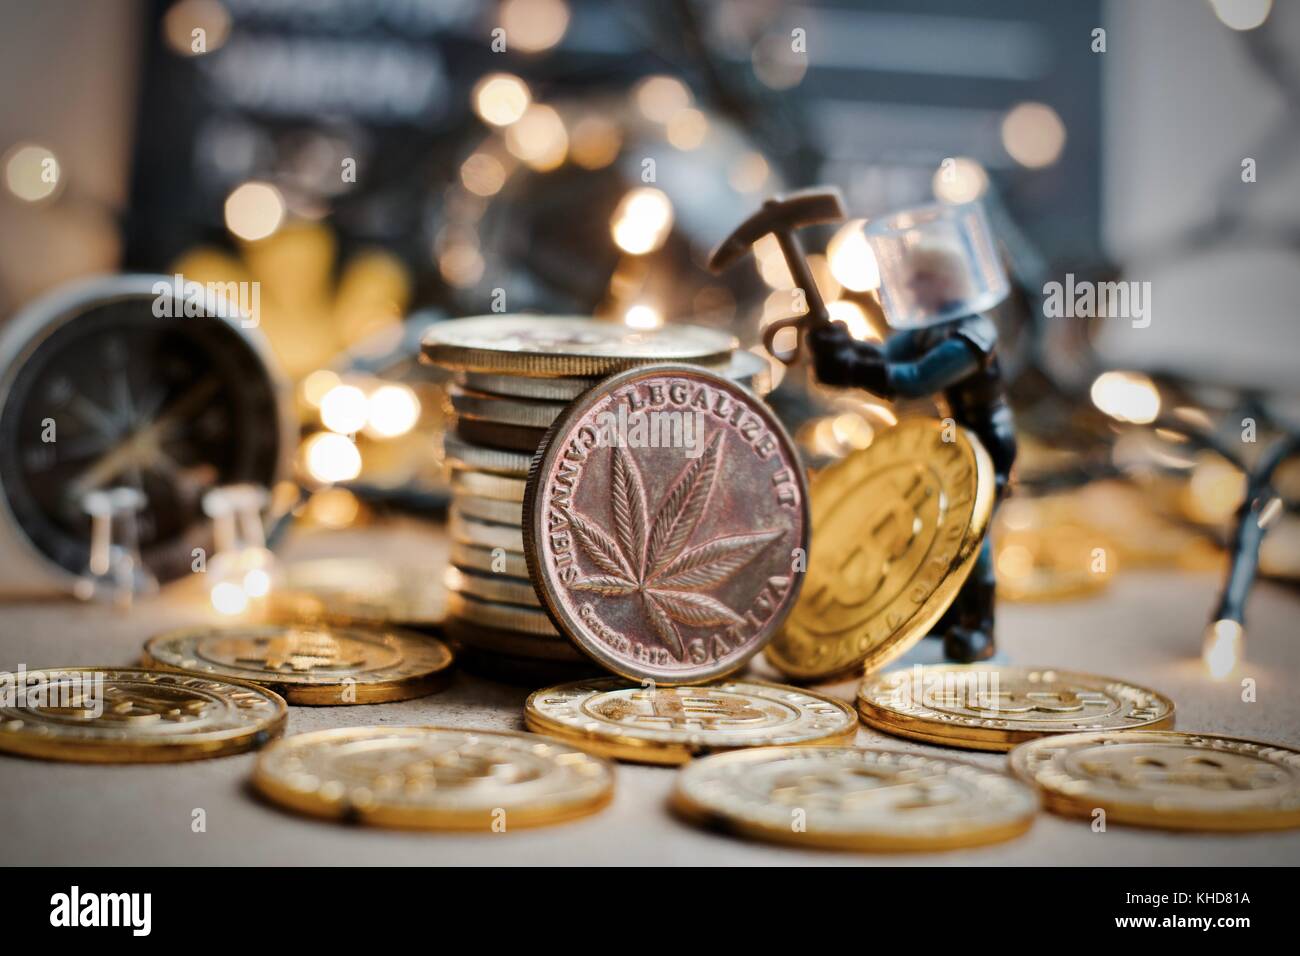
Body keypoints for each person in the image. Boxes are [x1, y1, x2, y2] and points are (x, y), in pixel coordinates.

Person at [808, 240, 1016, 662]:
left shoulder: (972, 335)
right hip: (953, 435)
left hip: (987, 438)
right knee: (938, 521)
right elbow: (885, 356)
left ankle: (980, 626)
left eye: (920, 278)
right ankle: (946, 615)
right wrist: (841, 346)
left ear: (947, 282)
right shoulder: (930, 327)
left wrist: (851, 367)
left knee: (972, 536)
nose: (911, 286)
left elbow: (914, 379)